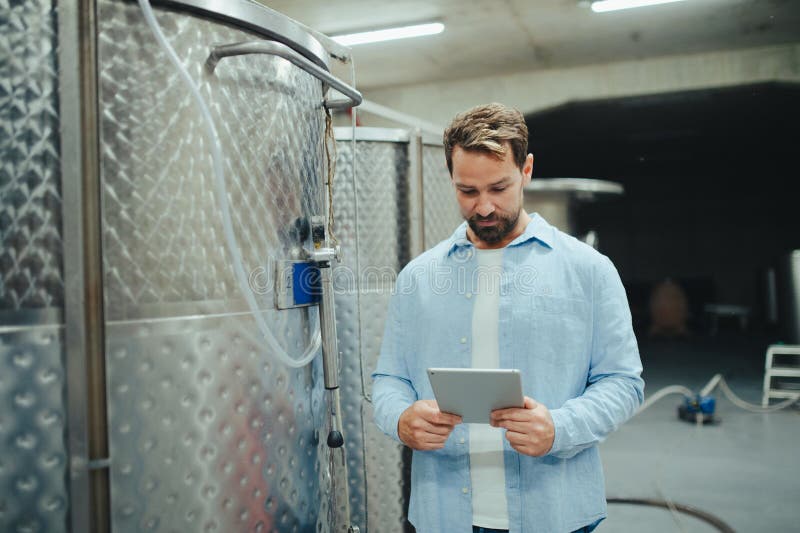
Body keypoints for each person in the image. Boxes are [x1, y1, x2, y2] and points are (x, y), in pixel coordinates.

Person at [372, 102, 644, 533]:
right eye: (467, 191)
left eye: (498, 188)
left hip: (553, 514)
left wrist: (559, 427)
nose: (483, 208)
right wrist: (401, 419)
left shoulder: (588, 270)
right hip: (445, 515)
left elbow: (624, 382)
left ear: (527, 169)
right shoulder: (419, 277)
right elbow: (388, 380)